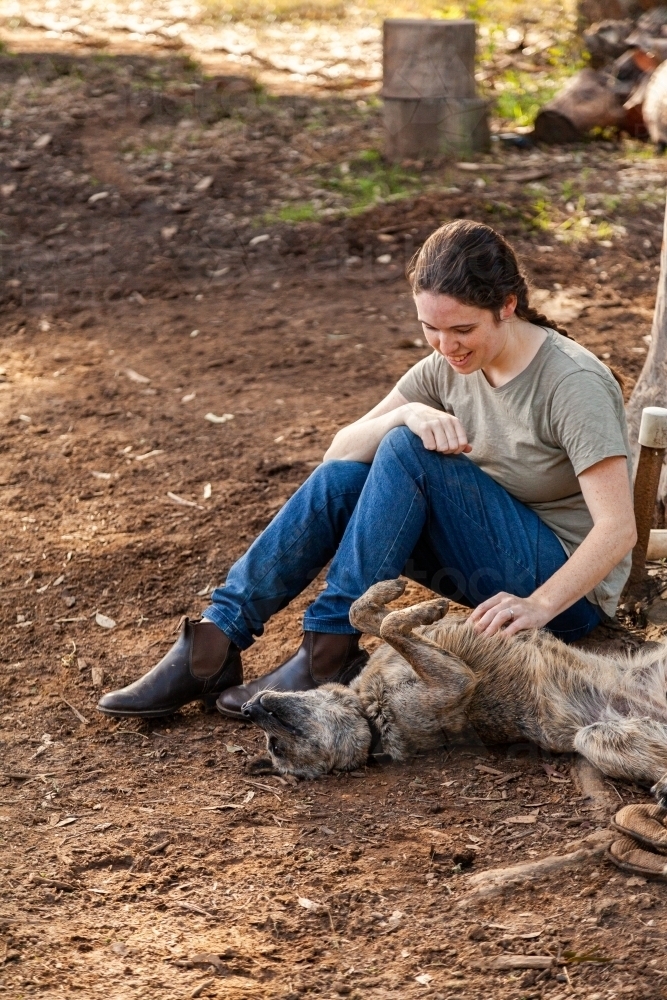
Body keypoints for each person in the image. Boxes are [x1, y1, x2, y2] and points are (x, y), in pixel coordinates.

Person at [97, 220, 637, 721]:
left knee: (407, 450)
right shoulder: (445, 367)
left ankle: (329, 644)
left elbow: (618, 529)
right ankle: (215, 640)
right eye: (430, 329)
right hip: (489, 574)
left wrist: (539, 603)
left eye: (462, 329)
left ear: (508, 305)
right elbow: (338, 452)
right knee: (350, 474)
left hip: (561, 598)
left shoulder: (571, 383)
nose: (447, 346)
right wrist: (406, 410)